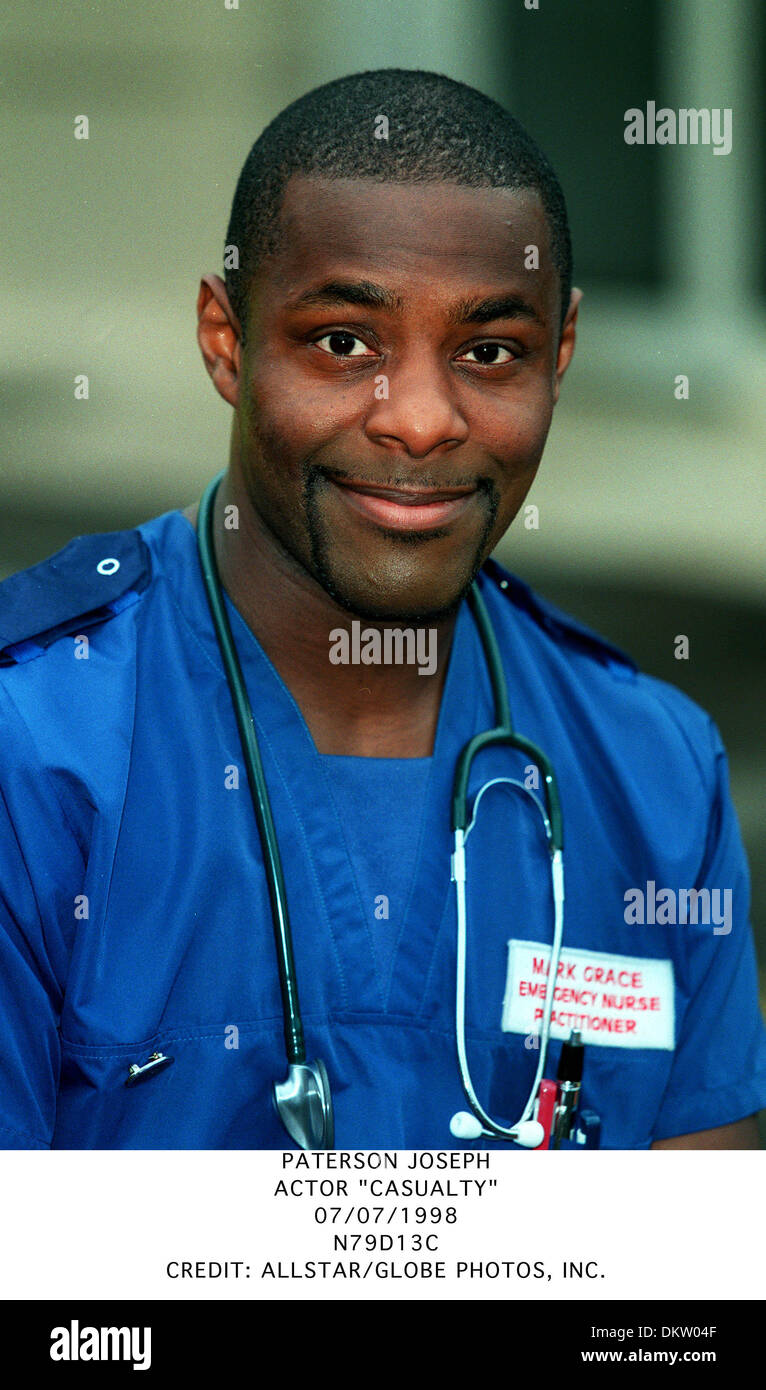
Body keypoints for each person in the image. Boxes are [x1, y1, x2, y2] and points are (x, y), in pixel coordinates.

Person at [1, 68, 765, 1151]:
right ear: (227, 339)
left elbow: (686, 1305)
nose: (418, 419)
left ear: (561, 352)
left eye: (488, 352)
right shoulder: (33, 748)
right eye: (344, 343)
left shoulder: (653, 771)